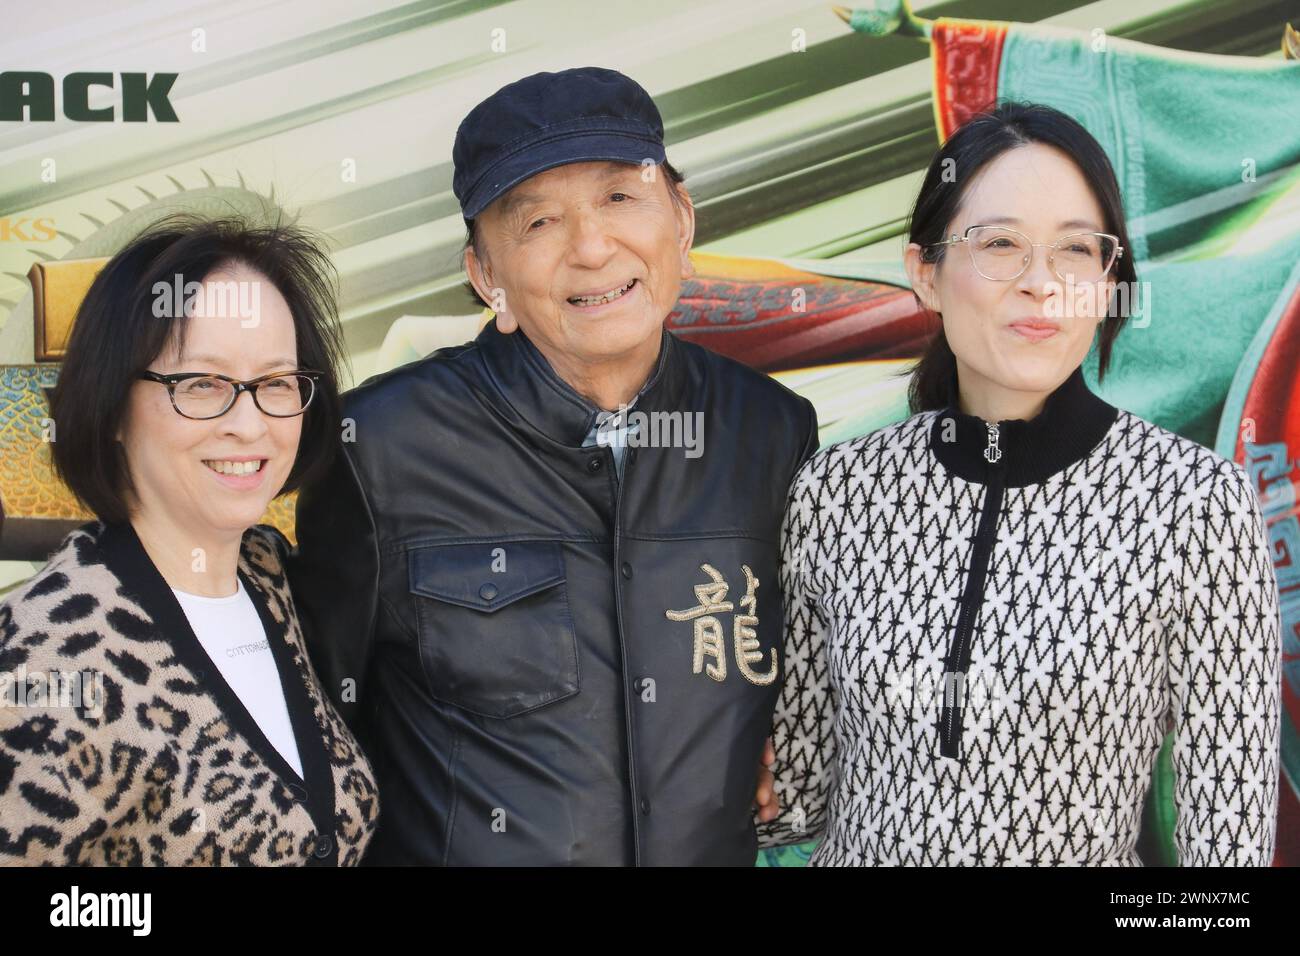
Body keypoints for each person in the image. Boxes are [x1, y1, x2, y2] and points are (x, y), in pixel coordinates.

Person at [289, 67, 818, 865]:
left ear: (681, 221)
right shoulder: (379, 447)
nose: (593, 248)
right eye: (538, 222)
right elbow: (316, 736)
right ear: (485, 276)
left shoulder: (769, 431)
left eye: (620, 197)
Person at [758, 102, 1282, 866]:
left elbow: (1227, 856)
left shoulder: (1196, 505)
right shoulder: (835, 493)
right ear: (926, 273)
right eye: (1000, 243)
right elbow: (796, 801)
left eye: (1076, 249)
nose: (1043, 284)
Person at [0, 217, 379, 865]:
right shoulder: (42, 659)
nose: (249, 425)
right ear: (113, 406)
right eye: (202, 384)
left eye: (276, 382)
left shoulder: (267, 577)